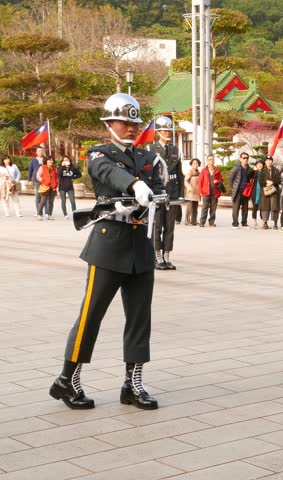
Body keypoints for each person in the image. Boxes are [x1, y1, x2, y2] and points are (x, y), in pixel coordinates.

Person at [49, 93, 163, 410]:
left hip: (141, 246)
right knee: (91, 315)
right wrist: (134, 187)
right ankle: (67, 379)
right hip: (108, 246)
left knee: (140, 318)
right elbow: (110, 174)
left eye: (134, 122)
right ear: (109, 123)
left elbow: (162, 191)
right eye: (124, 122)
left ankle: (133, 383)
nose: (130, 127)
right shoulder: (99, 153)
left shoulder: (148, 158)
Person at [148, 116, 183, 270]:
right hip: (158, 193)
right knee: (157, 226)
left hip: (172, 194)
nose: (167, 133)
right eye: (164, 130)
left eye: (169, 130)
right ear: (158, 132)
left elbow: (179, 174)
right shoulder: (151, 149)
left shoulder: (175, 150)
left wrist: (180, 194)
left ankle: (167, 255)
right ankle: (156, 257)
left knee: (170, 227)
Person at [197, 155, 222, 227]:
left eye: (213, 159)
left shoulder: (217, 170)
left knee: (213, 208)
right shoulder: (204, 170)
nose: (211, 161)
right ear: (207, 161)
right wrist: (200, 191)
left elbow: (221, 180)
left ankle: (211, 222)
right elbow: (200, 182)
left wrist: (217, 181)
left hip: (215, 192)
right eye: (210, 159)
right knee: (205, 207)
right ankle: (202, 222)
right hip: (206, 192)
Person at [229, 153, 251, 229]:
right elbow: (231, 178)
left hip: (245, 191)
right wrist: (233, 188)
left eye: (247, 158)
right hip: (238, 191)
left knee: (245, 208)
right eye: (244, 158)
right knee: (236, 208)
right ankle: (235, 223)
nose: (246, 159)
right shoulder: (236, 168)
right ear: (240, 159)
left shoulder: (248, 168)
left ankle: (244, 223)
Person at [259, 156, 280, 229]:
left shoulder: (276, 170)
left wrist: (272, 182)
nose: (269, 162)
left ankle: (275, 223)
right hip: (266, 190)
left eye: (270, 160)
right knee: (265, 206)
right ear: (265, 162)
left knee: (275, 206)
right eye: (267, 160)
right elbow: (260, 181)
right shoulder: (262, 171)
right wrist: (266, 183)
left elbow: (279, 180)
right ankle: (265, 223)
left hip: (274, 190)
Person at [27, 146, 46, 216]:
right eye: (39, 151)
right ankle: (39, 212)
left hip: (45, 181)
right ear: (36, 152)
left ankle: (46, 212)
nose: (40, 152)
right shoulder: (33, 160)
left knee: (45, 197)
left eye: (41, 151)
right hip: (36, 181)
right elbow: (30, 171)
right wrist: (29, 180)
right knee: (38, 197)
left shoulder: (46, 160)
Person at [183, 158, 201, 225]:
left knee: (195, 207)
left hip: (197, 192)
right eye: (194, 163)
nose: (195, 165)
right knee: (189, 207)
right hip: (191, 191)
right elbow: (185, 181)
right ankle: (187, 221)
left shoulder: (199, 172)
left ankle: (194, 221)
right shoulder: (190, 172)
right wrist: (189, 187)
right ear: (191, 164)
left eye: (197, 163)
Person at [249, 159, 264, 228]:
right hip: (254, 191)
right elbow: (248, 175)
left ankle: (263, 222)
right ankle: (254, 222)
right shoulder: (254, 172)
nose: (259, 165)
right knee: (255, 206)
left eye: (261, 164)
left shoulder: (264, 172)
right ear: (256, 165)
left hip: (263, 191)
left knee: (262, 207)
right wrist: (253, 170)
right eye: (258, 164)